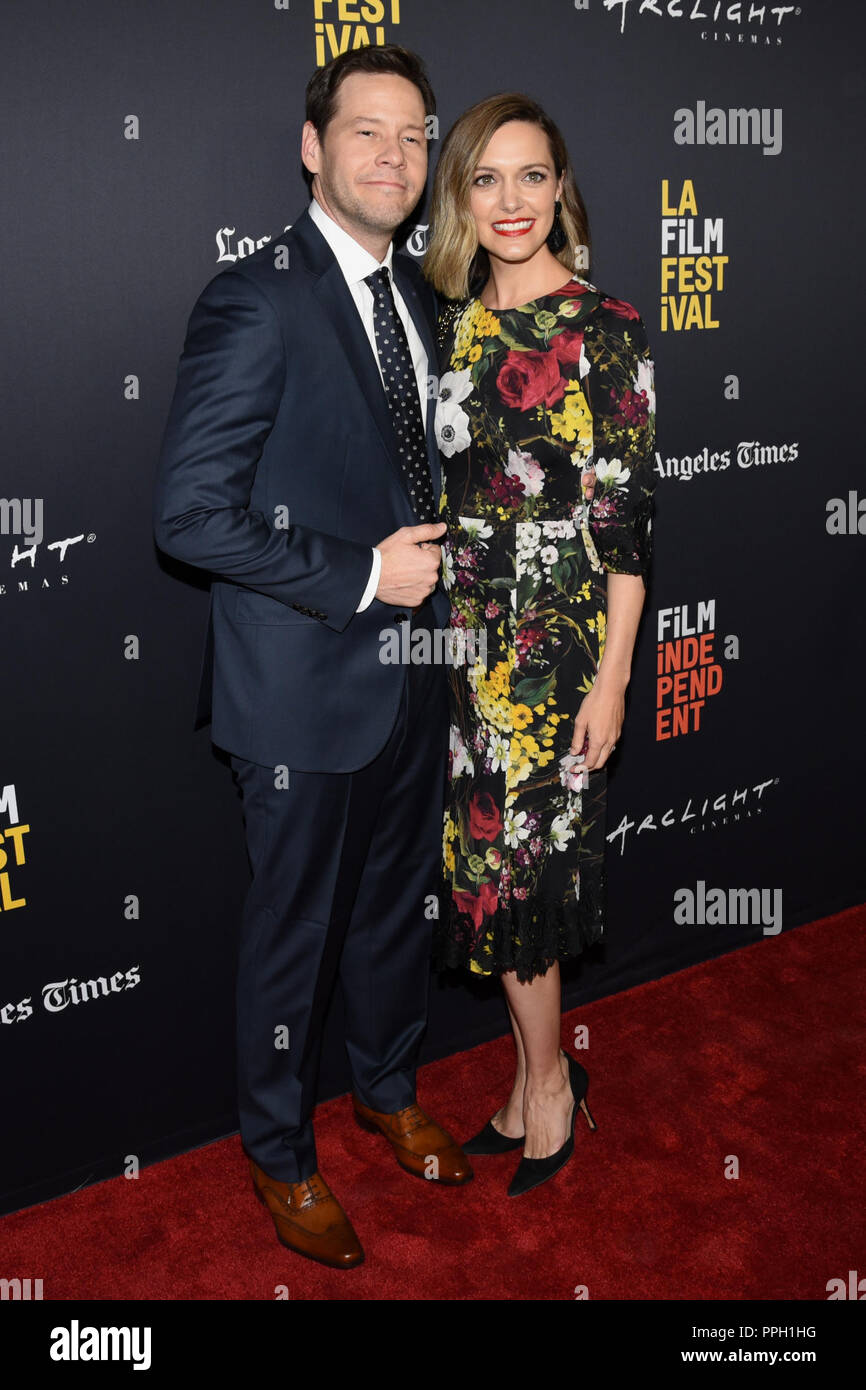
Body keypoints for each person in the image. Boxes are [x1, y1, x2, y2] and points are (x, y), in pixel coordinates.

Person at [152, 44, 472, 1272]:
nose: (393, 157)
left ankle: (386, 1091)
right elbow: (189, 516)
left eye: (412, 135)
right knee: (294, 937)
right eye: (365, 132)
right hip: (299, 691)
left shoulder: (423, 302)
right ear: (311, 148)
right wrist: (360, 576)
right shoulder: (255, 299)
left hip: (416, 677)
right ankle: (280, 1155)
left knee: (392, 913)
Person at [424, 94, 657, 1196]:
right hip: (468, 644)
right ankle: (528, 1084)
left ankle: (552, 1089)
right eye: (486, 178)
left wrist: (613, 681)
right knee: (489, 870)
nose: (510, 201)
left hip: (556, 643)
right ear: (461, 196)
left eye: (531, 176)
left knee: (522, 875)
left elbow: (626, 527)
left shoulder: (604, 326)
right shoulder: (453, 324)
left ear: (561, 189)